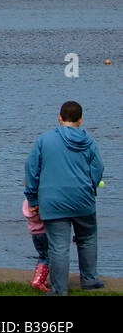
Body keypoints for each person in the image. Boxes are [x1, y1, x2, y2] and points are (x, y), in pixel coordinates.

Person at [24, 100, 105, 295]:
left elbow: (32, 171)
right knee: (87, 239)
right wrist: (90, 186)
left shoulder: (45, 140)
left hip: (52, 200)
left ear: (59, 117)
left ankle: (60, 289)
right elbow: (98, 168)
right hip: (83, 199)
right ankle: (90, 279)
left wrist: (32, 199)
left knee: (58, 246)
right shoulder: (90, 142)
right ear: (81, 119)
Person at [22, 197, 49, 292]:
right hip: (44, 233)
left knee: (42, 256)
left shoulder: (27, 203)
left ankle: (40, 278)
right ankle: (38, 281)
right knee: (48, 257)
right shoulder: (41, 203)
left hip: (35, 234)